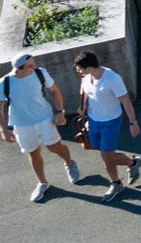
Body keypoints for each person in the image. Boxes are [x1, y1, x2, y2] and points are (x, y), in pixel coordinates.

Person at [3, 52, 82, 204]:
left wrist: (60, 112)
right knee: (33, 153)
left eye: (34, 64)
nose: (35, 67)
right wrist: (4, 129)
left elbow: (55, 91)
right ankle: (43, 183)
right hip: (22, 125)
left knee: (55, 147)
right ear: (19, 69)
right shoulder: (4, 83)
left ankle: (70, 163)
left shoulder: (40, 73)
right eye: (30, 66)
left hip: (44, 119)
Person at [74, 52, 140, 201]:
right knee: (100, 151)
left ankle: (116, 183)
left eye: (80, 69)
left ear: (89, 68)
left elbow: (126, 101)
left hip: (110, 122)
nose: (78, 71)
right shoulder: (86, 78)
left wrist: (133, 123)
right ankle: (133, 163)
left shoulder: (112, 79)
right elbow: (84, 92)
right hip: (93, 120)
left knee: (107, 156)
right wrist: (82, 108)